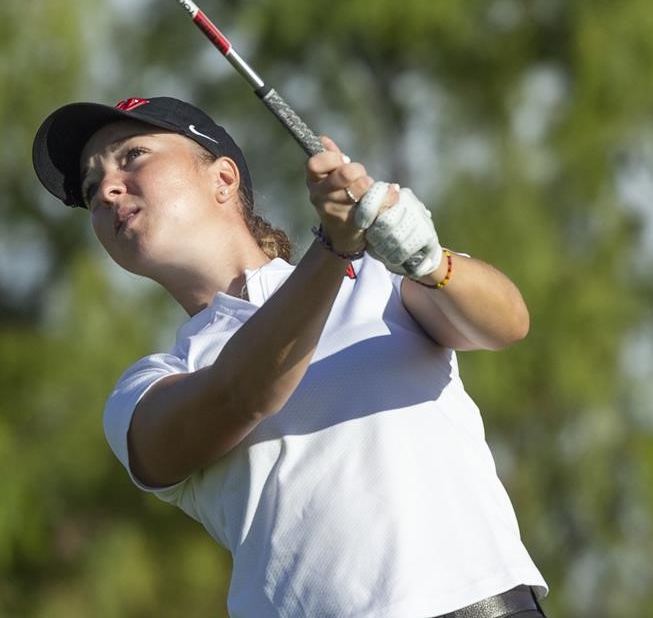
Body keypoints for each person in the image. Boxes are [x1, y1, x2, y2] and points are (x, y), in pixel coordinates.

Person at [33, 95, 548, 618]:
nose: (108, 190)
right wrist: (333, 248)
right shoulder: (146, 387)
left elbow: (508, 323)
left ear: (223, 179)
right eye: (92, 188)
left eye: (133, 156)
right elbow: (242, 394)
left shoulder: (375, 279)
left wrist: (427, 258)